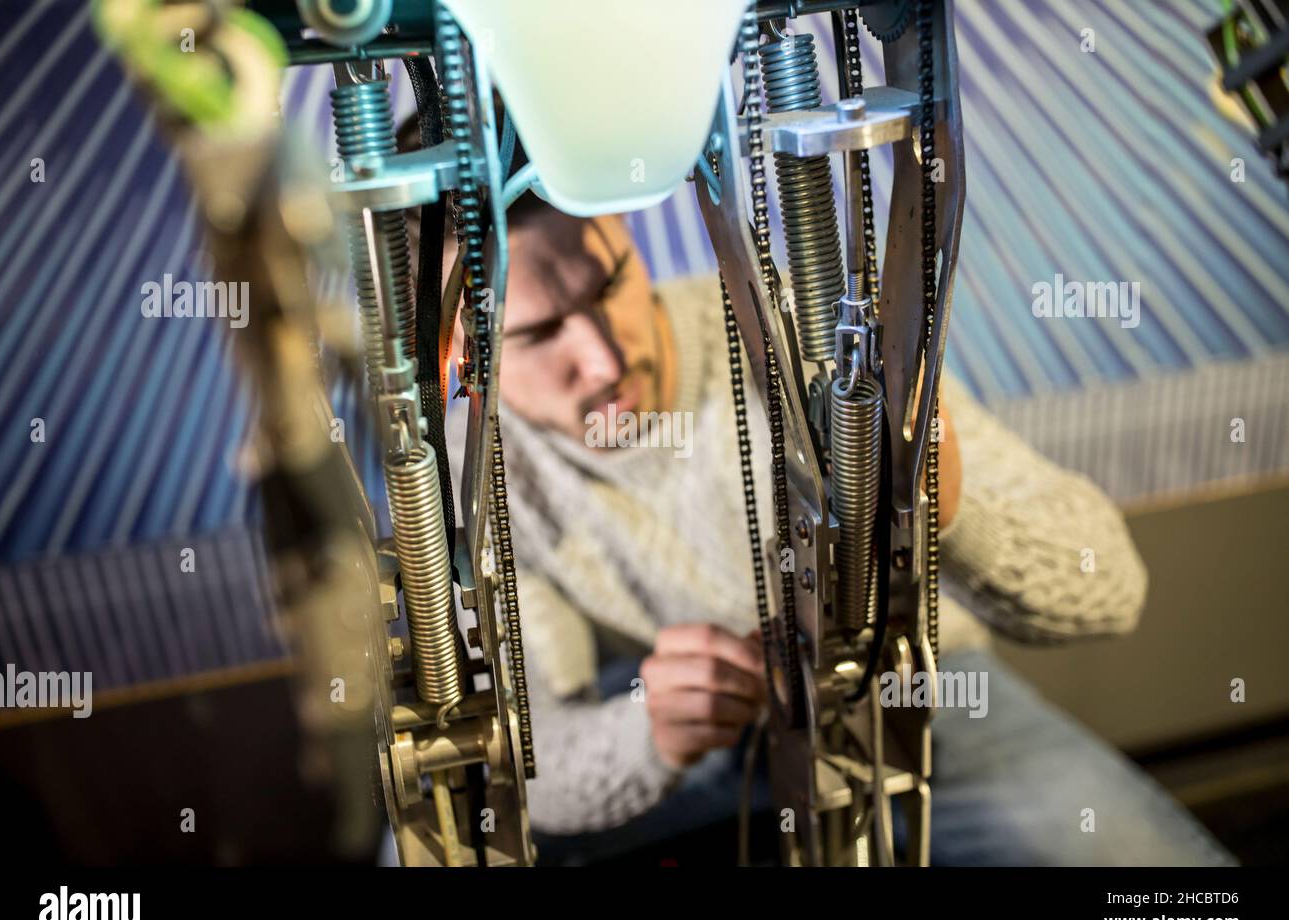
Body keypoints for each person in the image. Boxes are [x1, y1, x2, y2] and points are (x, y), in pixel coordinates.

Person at [405, 147, 1236, 866]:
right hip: (689, 726)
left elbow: (1113, 588)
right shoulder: (480, 464)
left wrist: (947, 514)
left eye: (611, 285)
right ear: (463, 353)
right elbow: (529, 746)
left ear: (627, 240)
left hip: (910, 687)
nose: (604, 356)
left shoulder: (812, 335)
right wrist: (645, 733)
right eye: (540, 333)